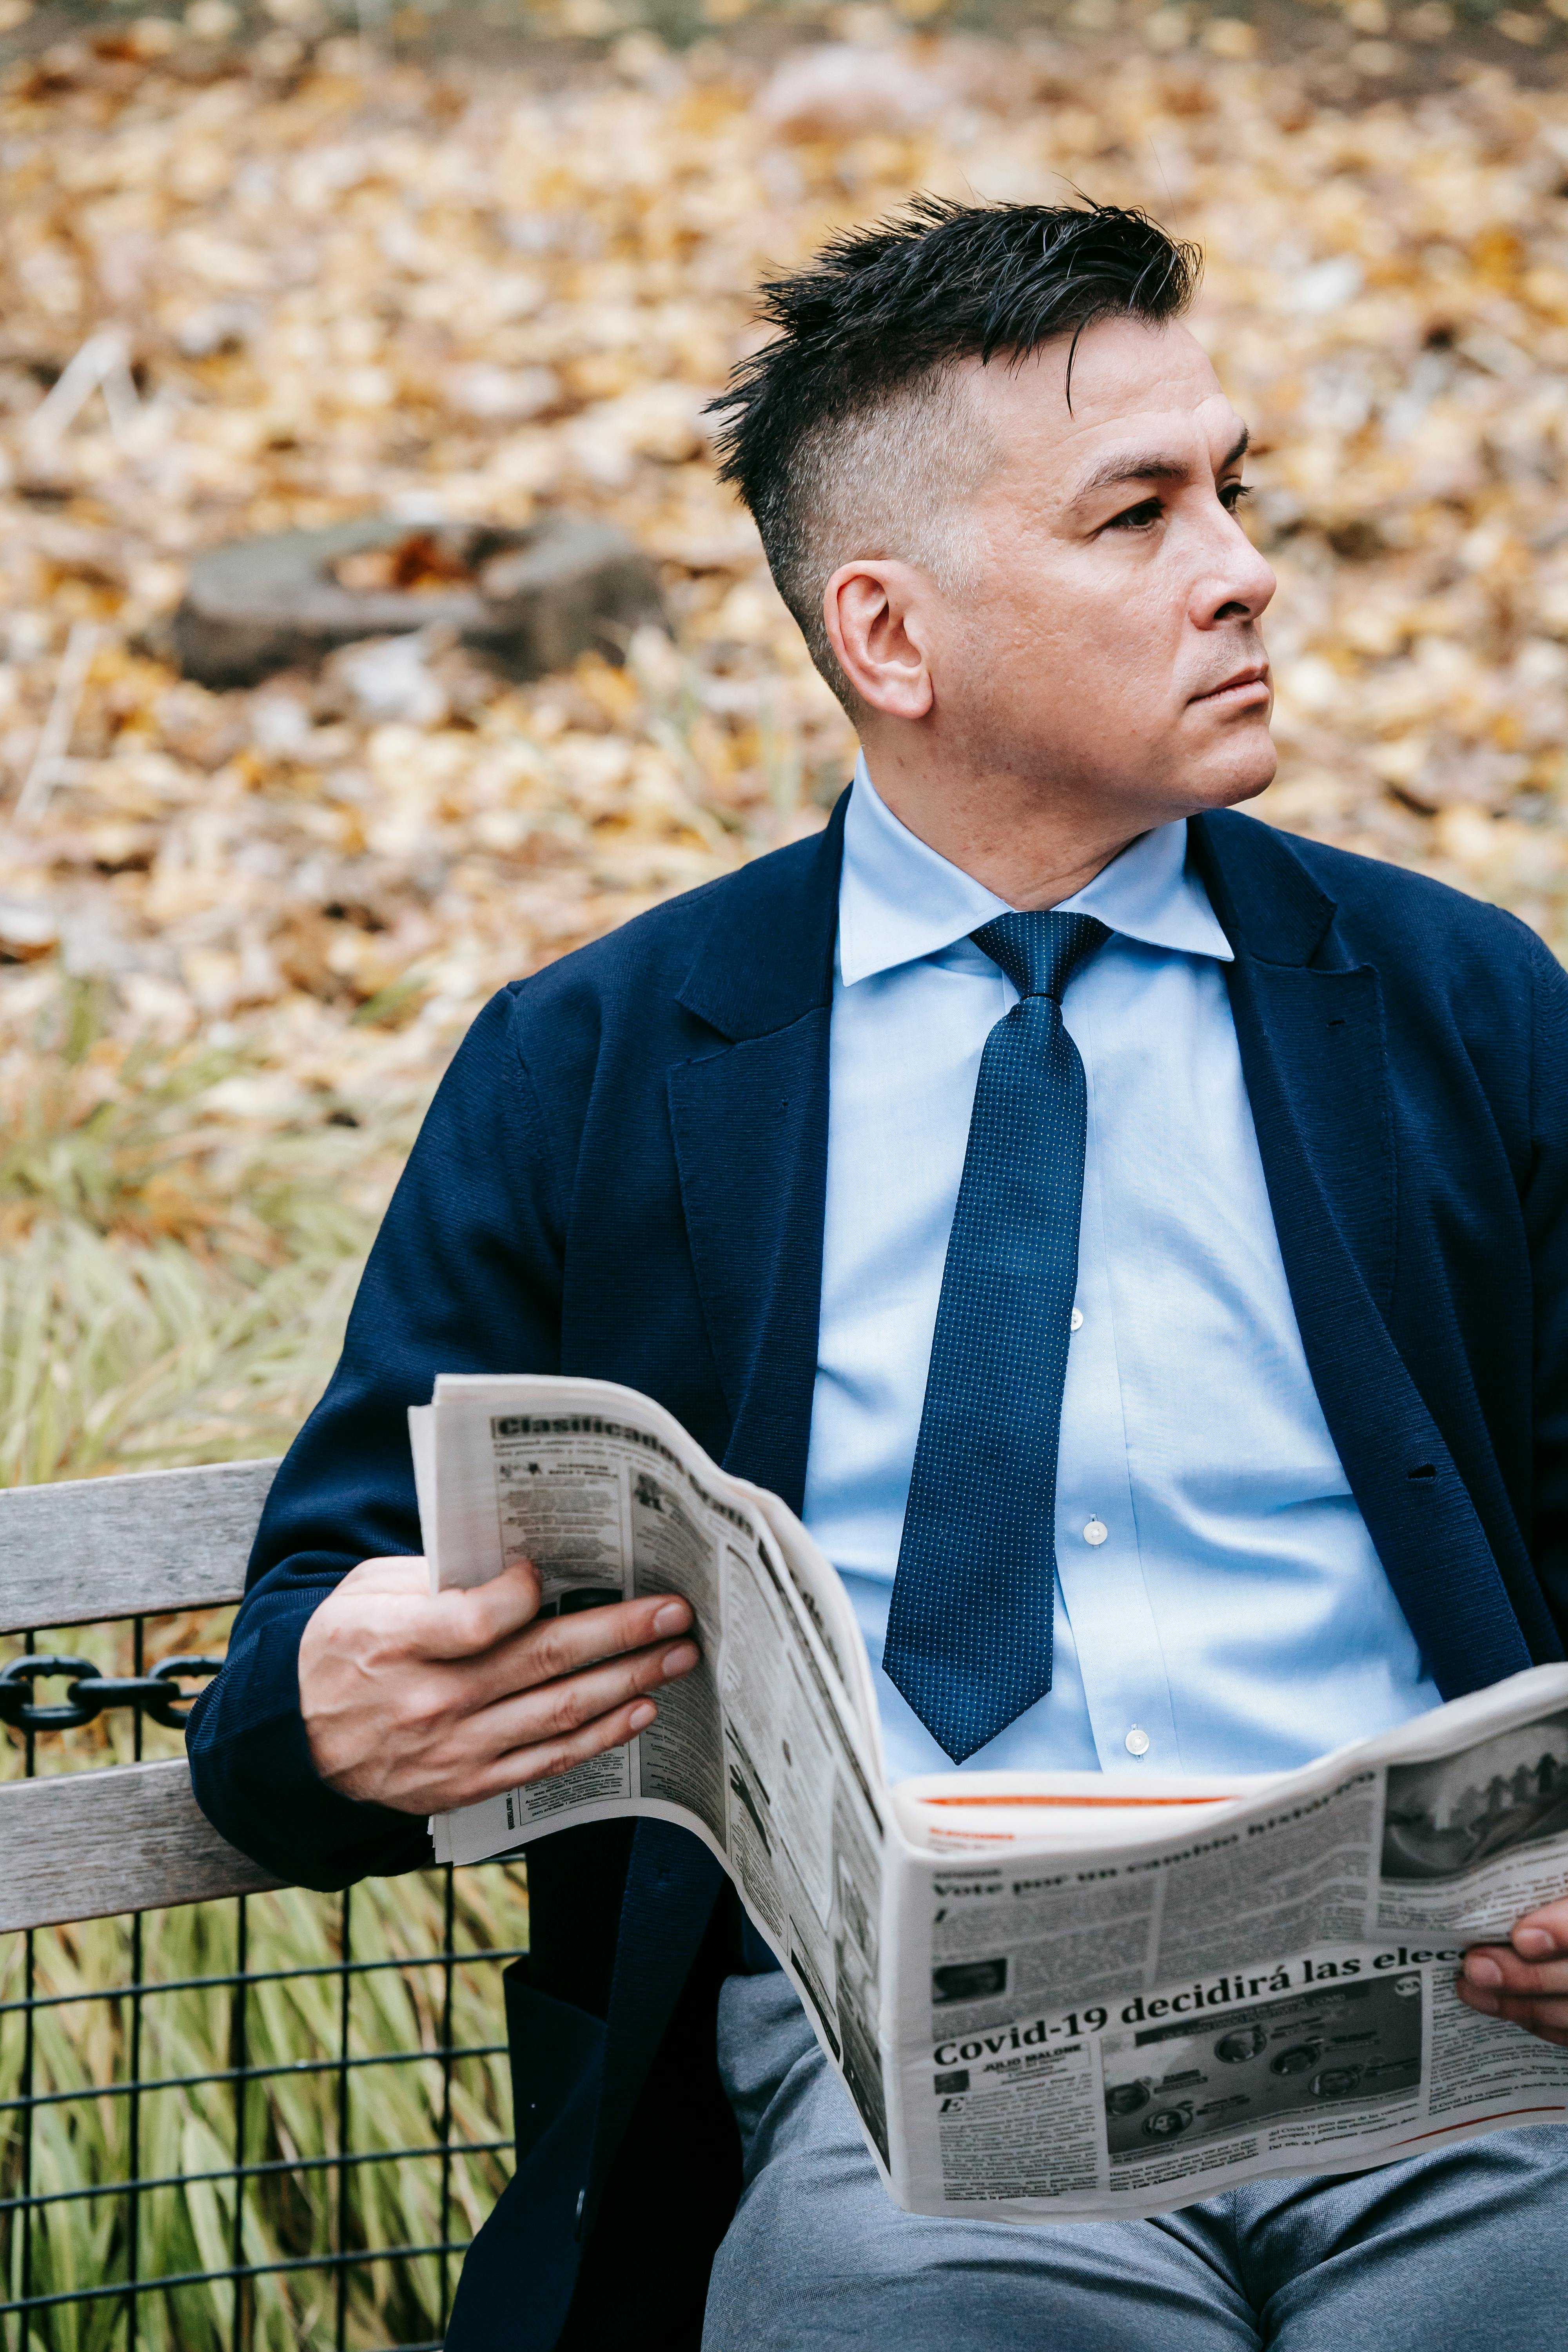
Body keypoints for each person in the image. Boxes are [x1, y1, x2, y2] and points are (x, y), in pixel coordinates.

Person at [188, 200, 1568, 2351]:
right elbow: (292, 1684)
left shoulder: (1458, 1010)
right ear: (890, 636)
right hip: (912, 2107)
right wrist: (343, 1707)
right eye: (1137, 515)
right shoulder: (603, 1066)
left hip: (1467, 2064)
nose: (1241, 566)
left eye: (1235, 490)